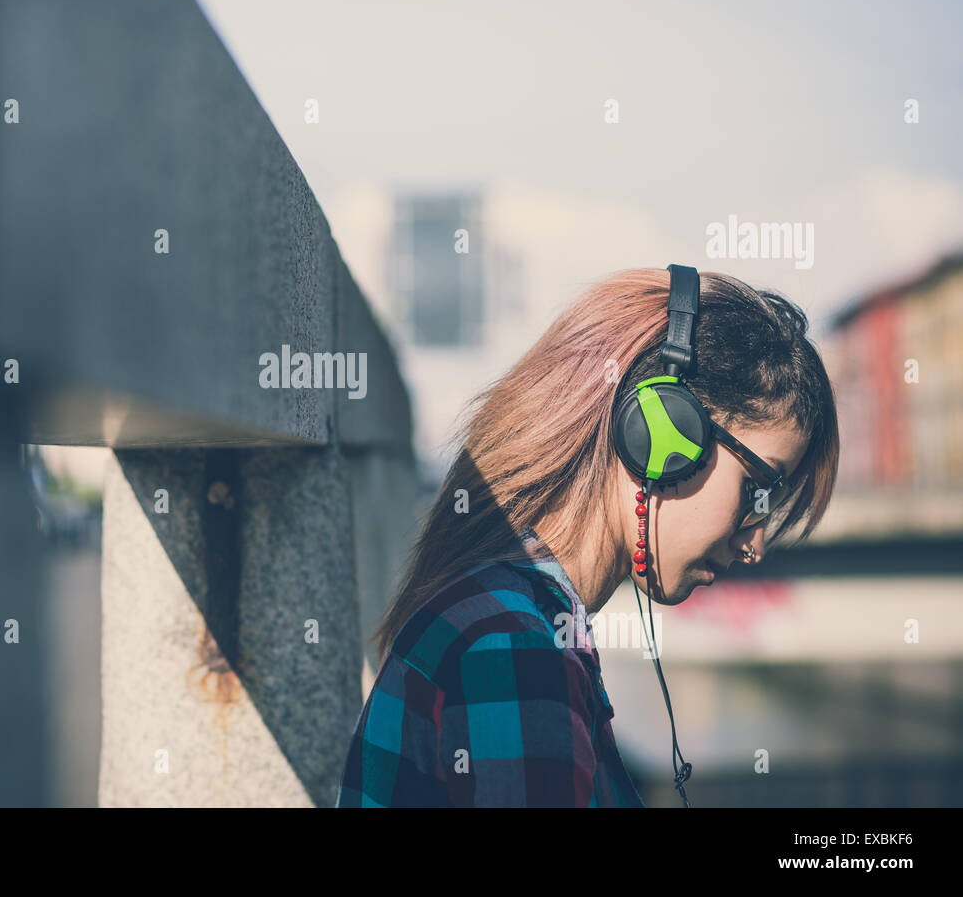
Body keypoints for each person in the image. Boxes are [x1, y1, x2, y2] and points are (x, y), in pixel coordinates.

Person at [336, 265, 839, 807]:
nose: (755, 543)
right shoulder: (517, 648)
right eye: (756, 490)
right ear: (665, 430)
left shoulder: (511, 620)